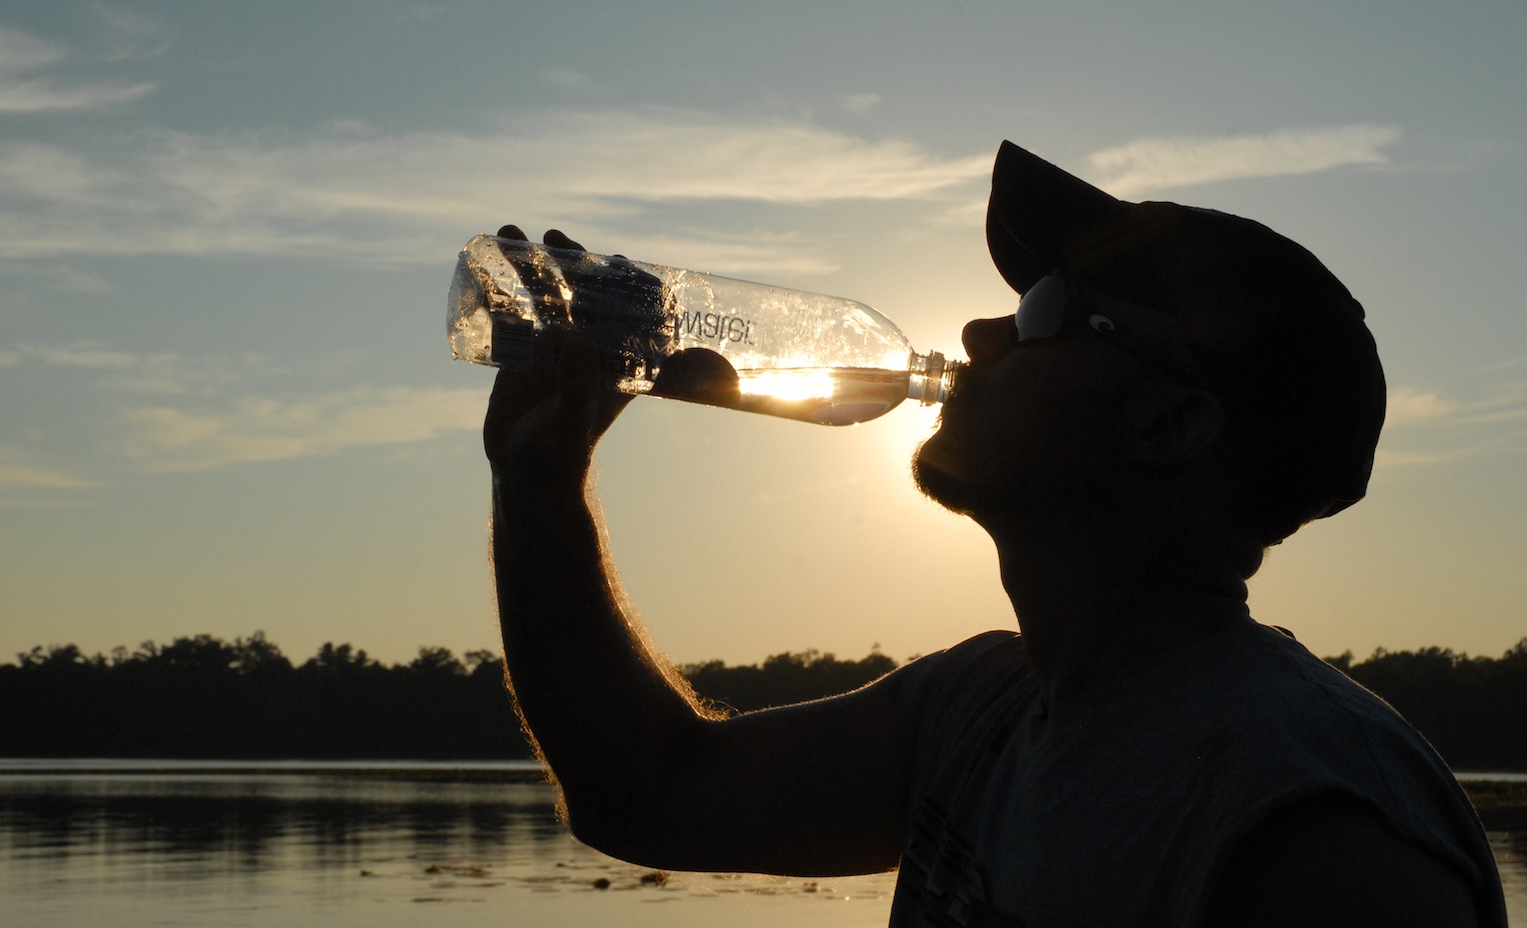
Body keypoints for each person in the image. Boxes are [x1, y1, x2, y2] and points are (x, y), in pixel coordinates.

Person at [482, 140, 1508, 926]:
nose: (980, 334)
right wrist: (539, 475)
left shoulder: (1311, 831)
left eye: (1048, 308)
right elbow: (646, 792)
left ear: (1168, 423)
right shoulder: (979, 711)